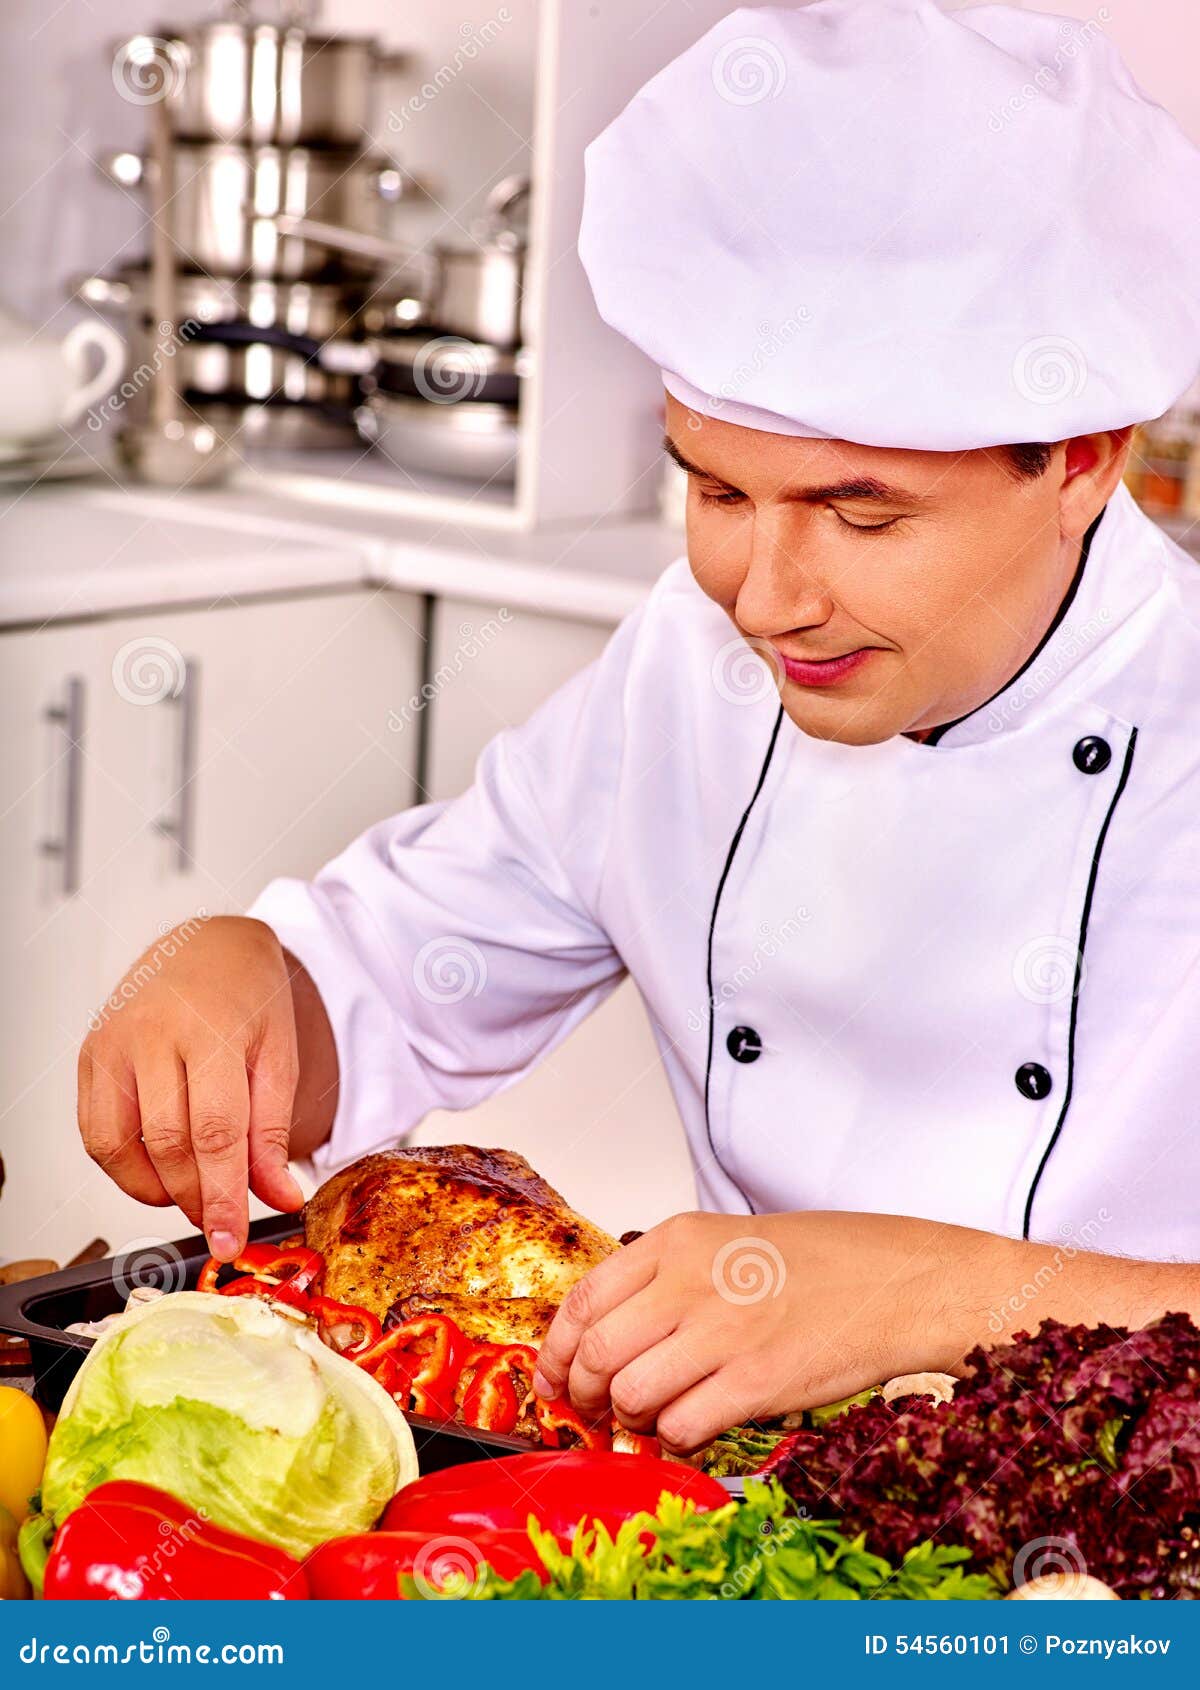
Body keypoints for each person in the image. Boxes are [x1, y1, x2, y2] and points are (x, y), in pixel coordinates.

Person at [78, 1, 1200, 1451]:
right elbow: (403, 971)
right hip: (761, 1518)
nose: (768, 598)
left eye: (862, 512)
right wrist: (230, 973)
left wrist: (942, 1295)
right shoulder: (692, 661)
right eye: (719, 491)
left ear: (1083, 462)